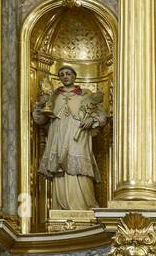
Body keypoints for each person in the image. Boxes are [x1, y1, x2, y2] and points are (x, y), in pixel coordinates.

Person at [31, 65, 107, 210]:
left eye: (68, 73)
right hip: (58, 136)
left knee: (79, 169)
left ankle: (84, 207)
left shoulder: (85, 94)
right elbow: (40, 120)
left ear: (74, 76)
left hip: (78, 136)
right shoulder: (53, 96)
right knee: (60, 169)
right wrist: (40, 105)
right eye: (62, 74)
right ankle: (61, 208)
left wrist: (92, 120)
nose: (65, 76)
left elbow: (102, 116)